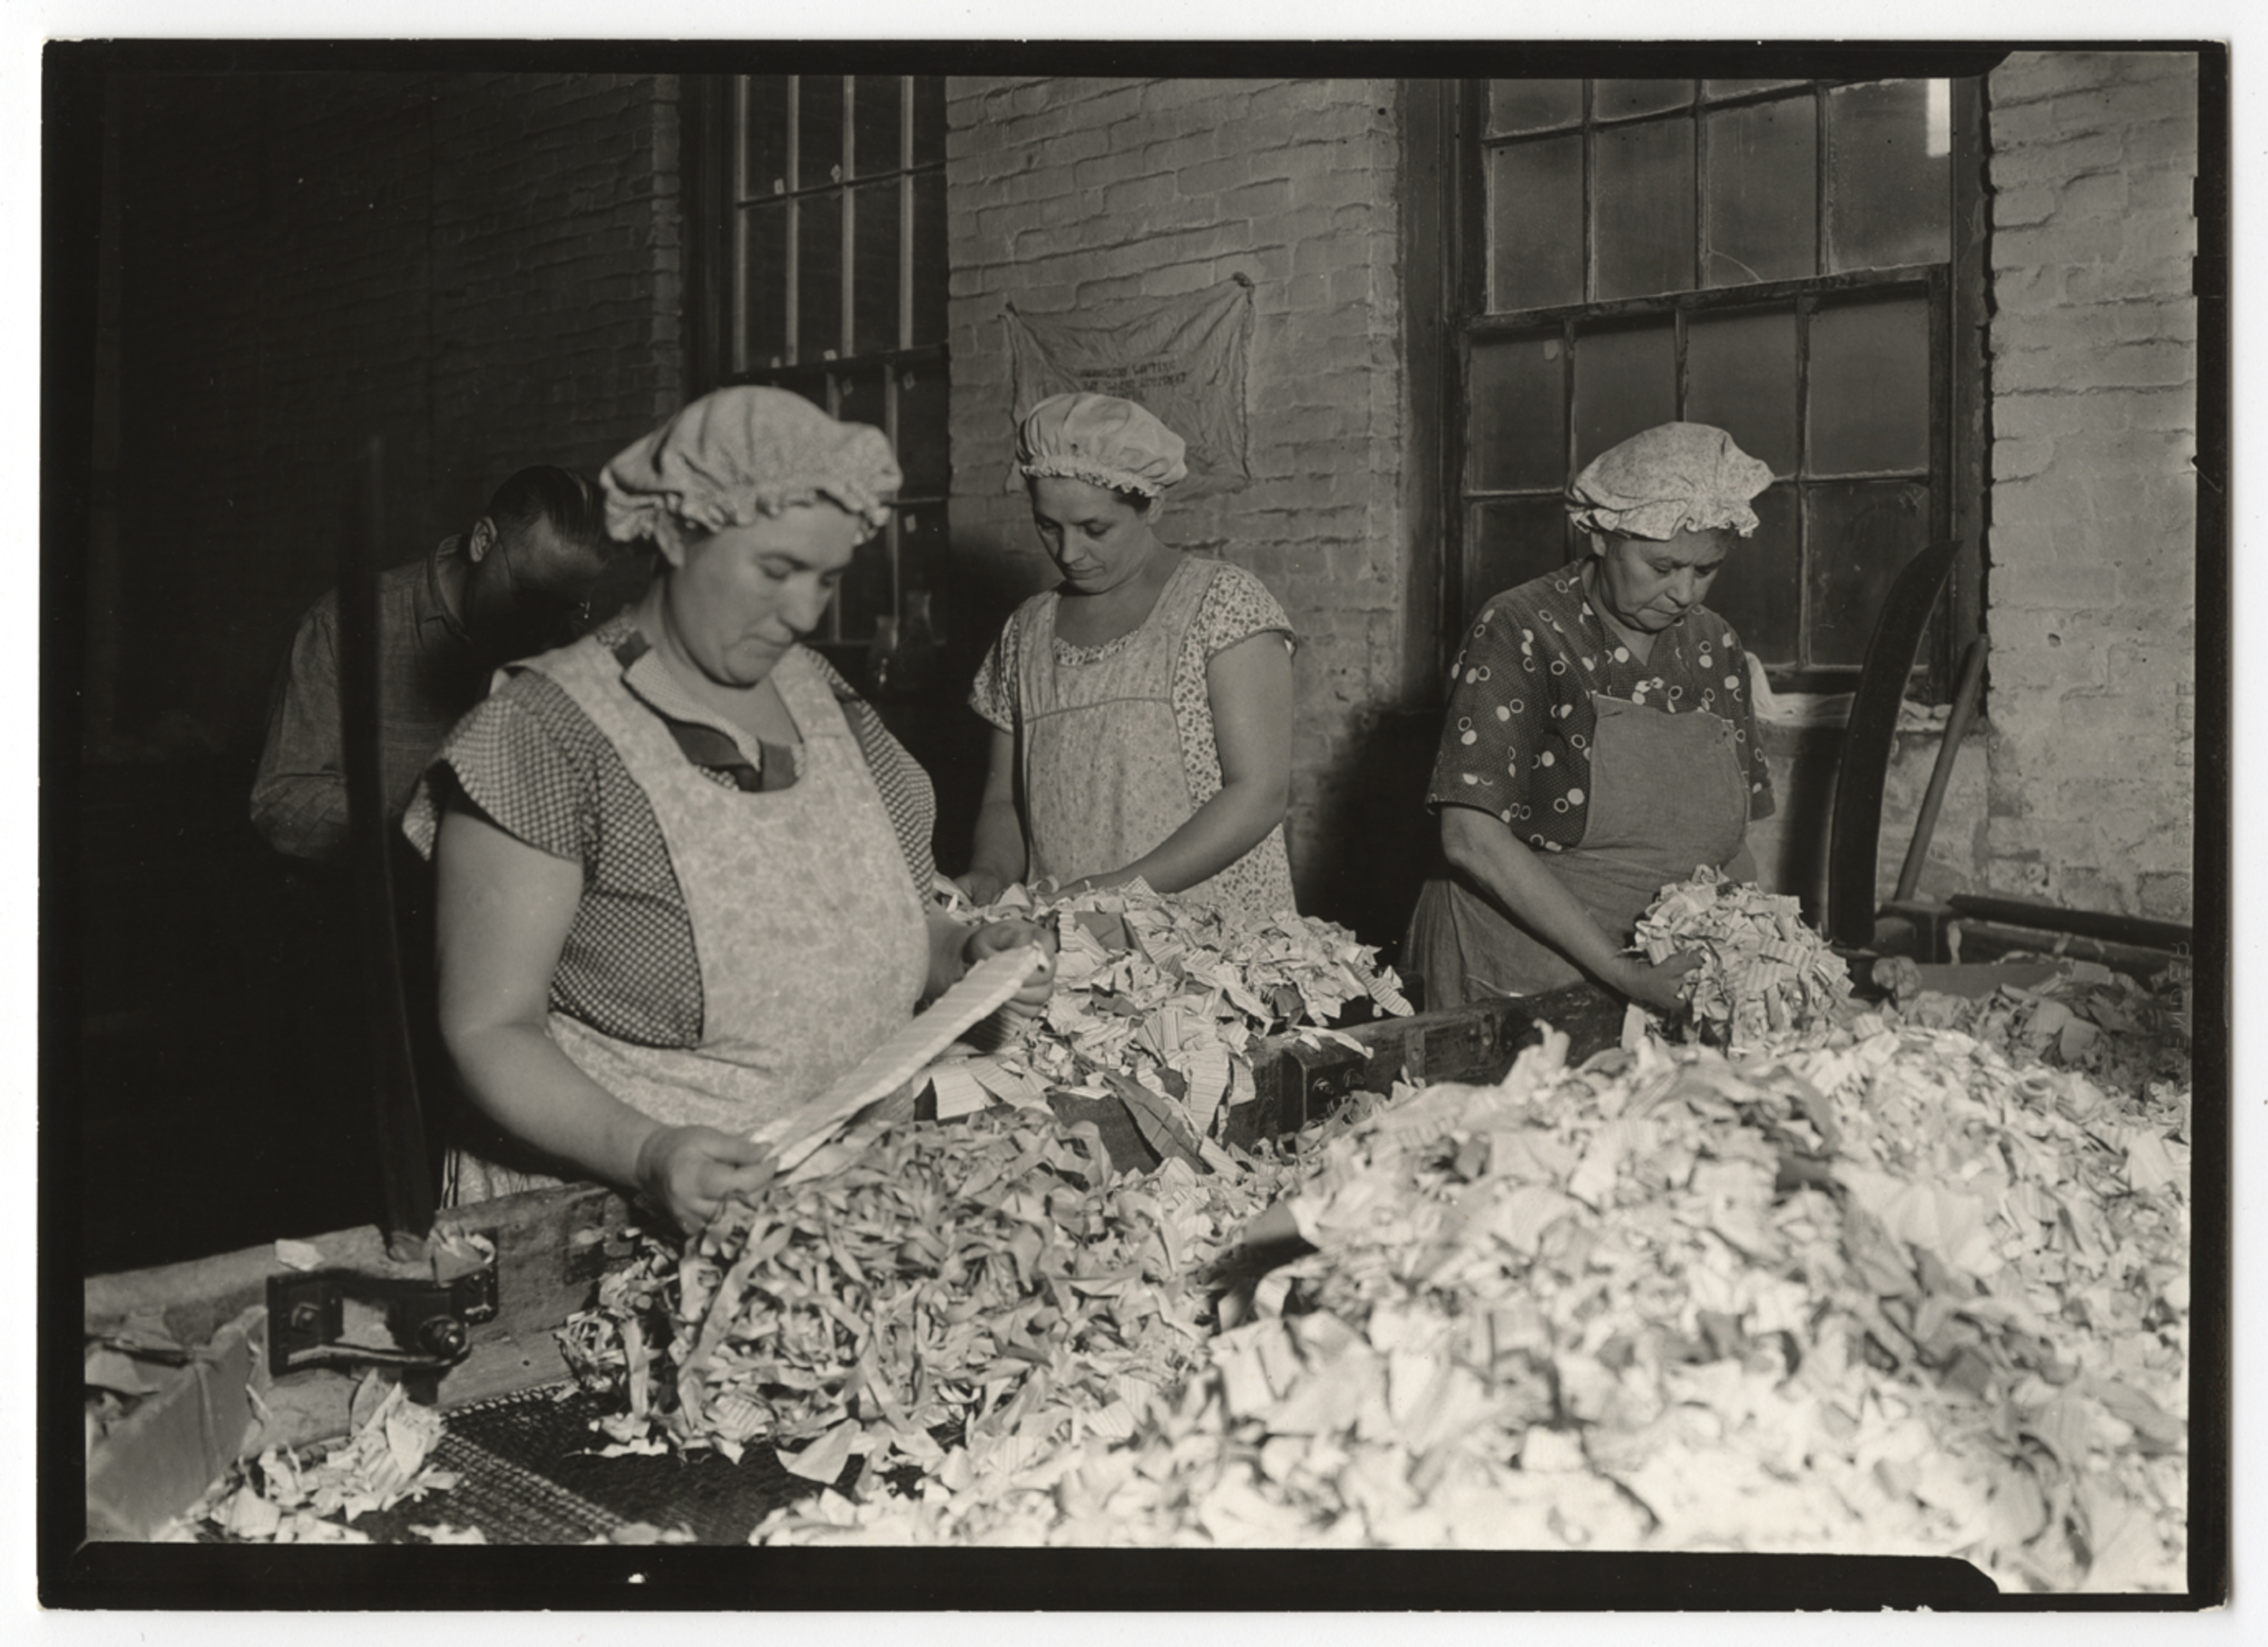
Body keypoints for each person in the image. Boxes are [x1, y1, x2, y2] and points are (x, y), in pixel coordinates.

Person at [406, 387, 1053, 1234]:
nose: (801, 615)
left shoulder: (819, 696)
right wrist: (647, 1152)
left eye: (824, 579)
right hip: (616, 1212)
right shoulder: (545, 734)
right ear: (676, 533)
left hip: (844, 1204)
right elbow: (490, 1027)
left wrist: (962, 956)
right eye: (775, 571)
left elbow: (881, 923)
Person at [1404, 422, 1778, 1013]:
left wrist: (1752, 950)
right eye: (1662, 567)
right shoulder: (1521, 629)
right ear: (1601, 537)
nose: (1685, 593)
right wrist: (1622, 974)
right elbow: (1471, 839)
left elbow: (1735, 849)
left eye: (1705, 569)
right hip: (1518, 973)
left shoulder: (1714, 646)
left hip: (1659, 975)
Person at [959, 392, 1297, 924]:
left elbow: (1258, 794)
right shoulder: (1025, 630)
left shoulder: (1222, 604)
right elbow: (1005, 801)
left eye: (1095, 529)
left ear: (1152, 506)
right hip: (1069, 934)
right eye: (1048, 525)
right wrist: (991, 872)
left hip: (1208, 936)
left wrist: (1112, 890)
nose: (1069, 553)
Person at [250, 466, 621, 863]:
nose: (544, 627)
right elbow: (282, 801)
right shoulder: (345, 625)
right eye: (529, 597)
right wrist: (429, 831)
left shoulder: (565, 645)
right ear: (482, 542)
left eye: (567, 606)